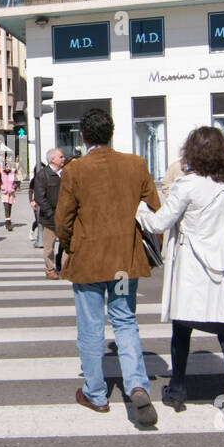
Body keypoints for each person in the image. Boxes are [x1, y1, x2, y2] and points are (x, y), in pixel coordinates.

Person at [138, 128, 224, 444]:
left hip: (193, 268)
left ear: (192, 152)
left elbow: (159, 223)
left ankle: (177, 388)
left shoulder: (187, 185)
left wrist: (139, 211)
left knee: (182, 329)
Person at [54, 108, 161, 426]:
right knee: (126, 322)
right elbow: (155, 208)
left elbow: (63, 220)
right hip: (124, 260)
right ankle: (138, 384)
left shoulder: (76, 169)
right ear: (111, 133)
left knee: (90, 327)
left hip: (88, 259)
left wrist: (70, 245)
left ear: (83, 136)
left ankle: (96, 394)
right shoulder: (136, 164)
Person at [33, 148, 64, 278]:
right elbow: (39, 197)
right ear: (53, 159)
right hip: (49, 217)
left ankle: (65, 268)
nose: (64, 159)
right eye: (61, 157)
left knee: (67, 244)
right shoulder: (43, 174)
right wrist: (51, 213)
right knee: (49, 246)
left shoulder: (65, 173)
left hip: (65, 216)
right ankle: (50, 269)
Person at [0, 160, 18, 231]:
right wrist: (0, 186)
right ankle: (8, 224)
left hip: (11, 192)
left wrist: (14, 187)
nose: (7, 167)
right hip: (4, 192)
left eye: (8, 166)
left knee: (9, 207)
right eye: (6, 166)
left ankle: (7, 220)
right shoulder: (1, 173)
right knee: (6, 207)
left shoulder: (12, 173)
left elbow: (17, 181)